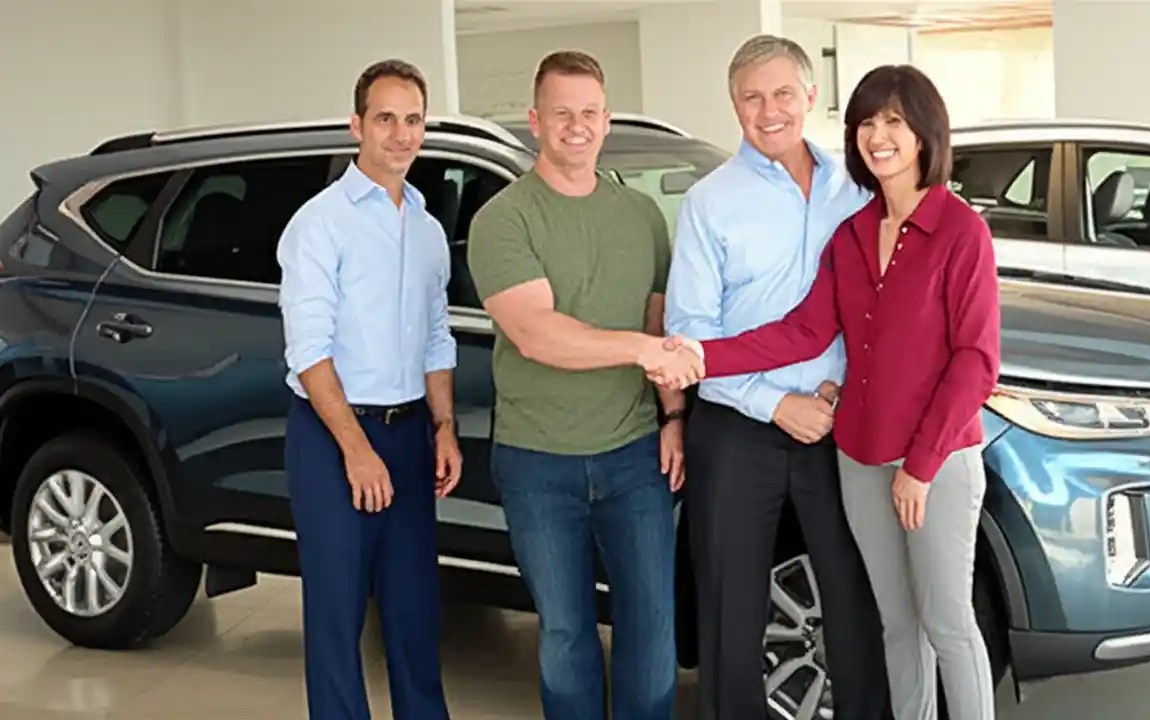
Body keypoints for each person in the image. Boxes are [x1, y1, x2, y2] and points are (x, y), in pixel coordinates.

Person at [658, 64, 1001, 720]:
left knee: (948, 626)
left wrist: (921, 469)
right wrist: (701, 355)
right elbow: (803, 330)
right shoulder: (852, 231)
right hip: (856, 457)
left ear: (926, 132)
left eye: (895, 121)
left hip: (931, 462)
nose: (879, 135)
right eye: (867, 122)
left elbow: (975, 363)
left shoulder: (961, 231)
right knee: (896, 626)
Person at [465, 49, 699, 720]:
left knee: (651, 629)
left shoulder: (643, 216)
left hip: (634, 458)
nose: (578, 126)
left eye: (590, 113)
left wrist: (674, 417)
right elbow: (538, 333)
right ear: (534, 121)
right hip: (539, 461)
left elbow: (657, 317)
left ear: (606, 119)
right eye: (562, 113)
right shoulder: (502, 219)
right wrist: (646, 350)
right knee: (565, 634)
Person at [663, 34, 890, 720]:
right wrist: (775, 403)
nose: (769, 111)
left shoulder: (857, 188)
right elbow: (690, 337)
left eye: (783, 94)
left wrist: (840, 389)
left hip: (839, 422)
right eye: (752, 97)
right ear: (734, 105)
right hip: (737, 431)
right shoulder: (709, 202)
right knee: (730, 612)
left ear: (811, 97)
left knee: (856, 599)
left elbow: (877, 307)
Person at [276, 59, 461, 720]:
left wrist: (443, 429)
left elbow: (437, 338)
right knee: (337, 616)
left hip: (410, 433)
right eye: (386, 118)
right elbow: (310, 351)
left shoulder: (427, 226)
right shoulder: (319, 225)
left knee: (414, 613)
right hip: (333, 440)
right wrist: (356, 450)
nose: (402, 134)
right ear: (357, 125)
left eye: (413, 120)